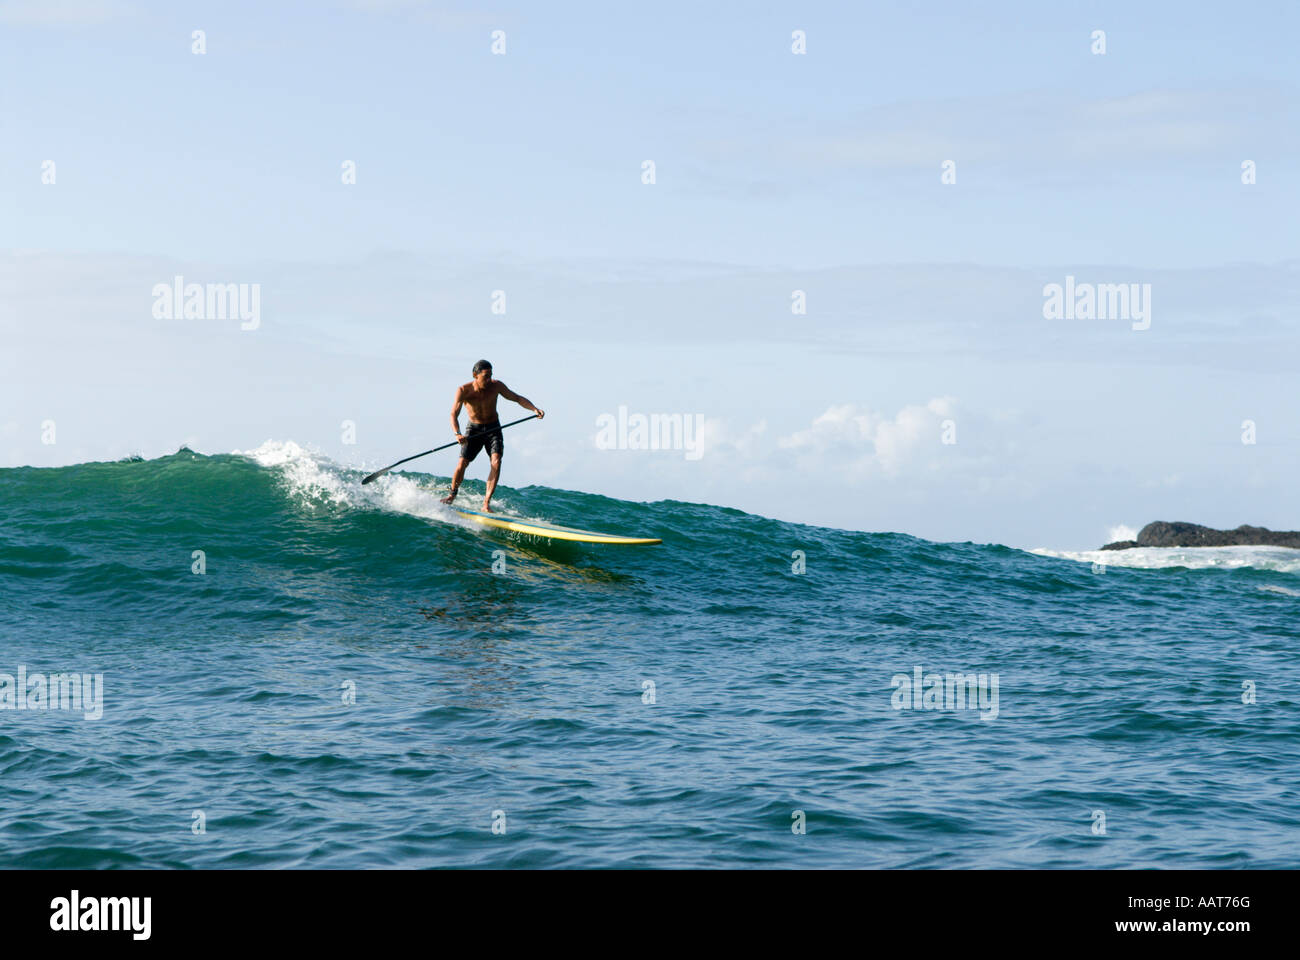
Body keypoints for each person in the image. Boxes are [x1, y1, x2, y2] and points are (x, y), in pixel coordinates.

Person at [440, 360, 544, 511]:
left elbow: (517, 398)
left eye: (491, 375)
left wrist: (534, 409)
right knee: (462, 464)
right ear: (475, 375)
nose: (489, 379)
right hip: (473, 430)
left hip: (493, 429)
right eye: (485, 376)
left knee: (496, 461)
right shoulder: (464, 390)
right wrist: (457, 433)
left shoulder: (496, 386)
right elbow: (453, 414)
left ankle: (486, 503)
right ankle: (452, 495)